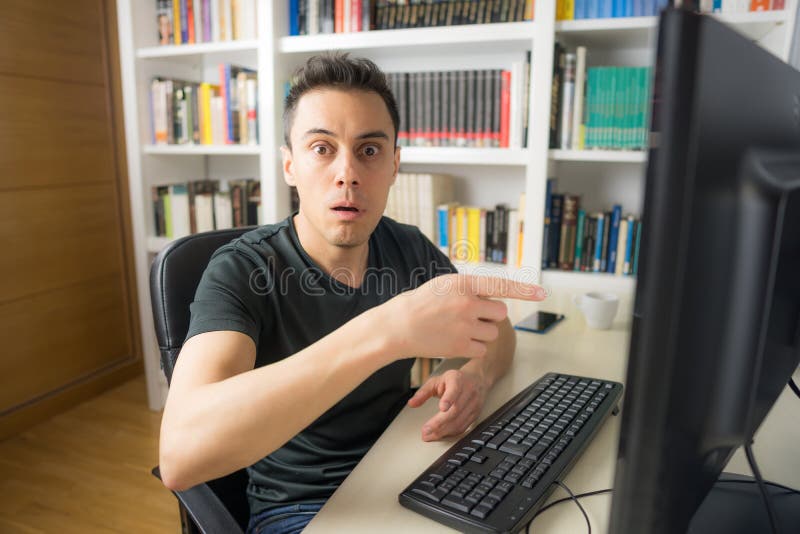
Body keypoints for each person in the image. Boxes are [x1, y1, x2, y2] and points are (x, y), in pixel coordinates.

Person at [158, 53, 546, 534]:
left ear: (394, 165)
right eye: (322, 148)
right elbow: (180, 456)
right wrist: (387, 330)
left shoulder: (406, 246)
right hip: (302, 509)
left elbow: (497, 330)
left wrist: (476, 377)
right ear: (290, 165)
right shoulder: (242, 269)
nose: (348, 173)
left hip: (407, 470)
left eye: (369, 150)